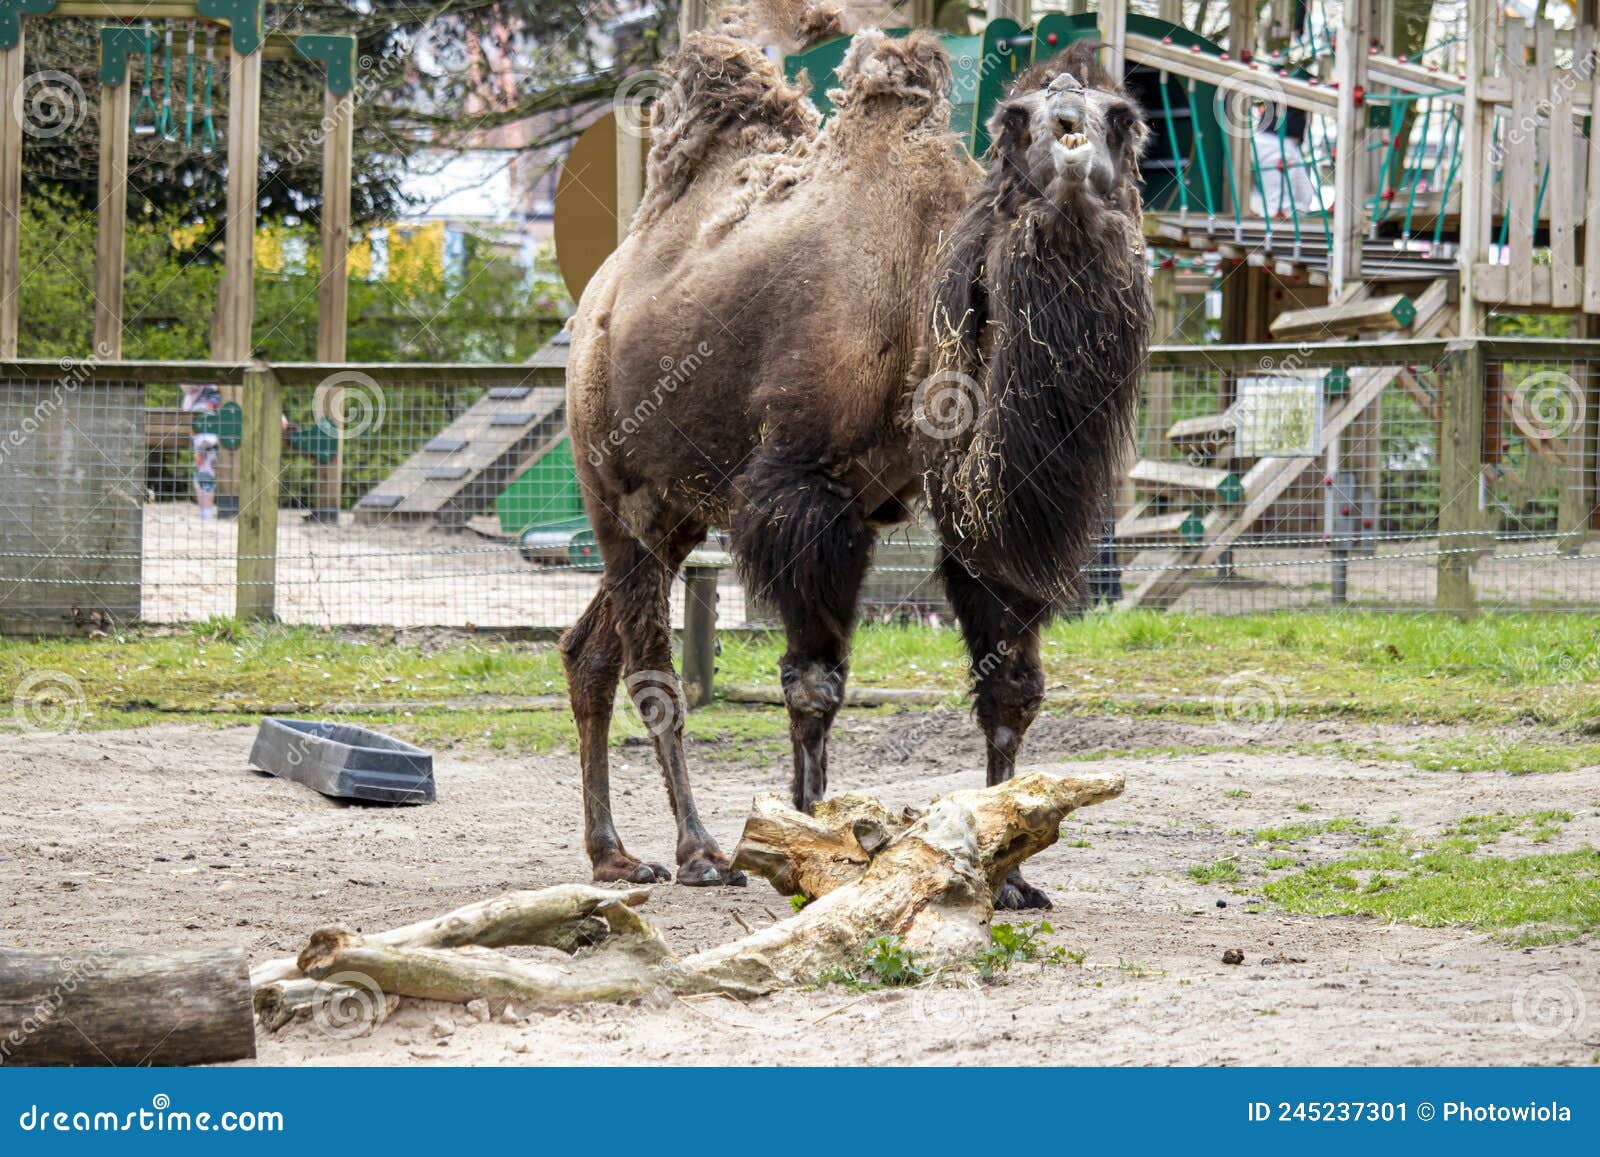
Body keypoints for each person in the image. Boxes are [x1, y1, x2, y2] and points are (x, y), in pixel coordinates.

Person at [1252, 103, 1316, 217]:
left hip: (1285, 143)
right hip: (1273, 142)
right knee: (1279, 205)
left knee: (1304, 197)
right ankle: (1270, 232)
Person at [180, 382, 222, 520]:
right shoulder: (194, 395)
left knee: (206, 471)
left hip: (210, 433)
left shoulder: (213, 390)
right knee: (204, 471)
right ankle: (206, 513)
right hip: (202, 434)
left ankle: (206, 513)